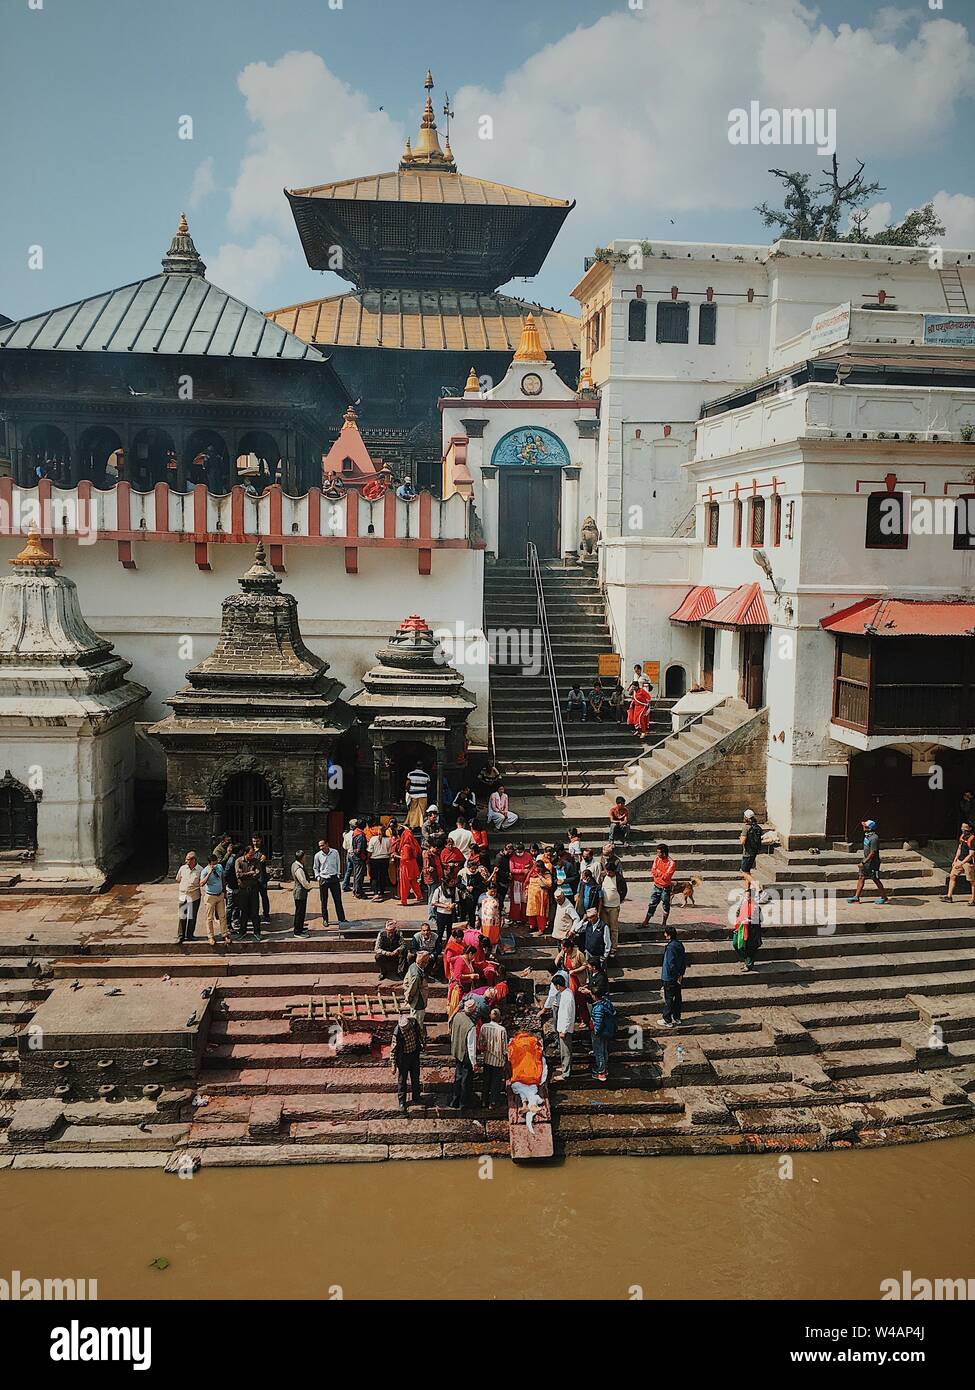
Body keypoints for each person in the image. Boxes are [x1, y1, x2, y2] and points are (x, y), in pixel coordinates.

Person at [847, 818, 889, 905]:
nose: (863, 826)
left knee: (876, 879)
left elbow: (873, 853)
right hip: (866, 861)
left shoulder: (874, 838)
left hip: (873, 863)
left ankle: (884, 897)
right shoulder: (867, 836)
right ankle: (856, 897)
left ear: (869, 828)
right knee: (861, 877)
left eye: (865, 826)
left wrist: (863, 862)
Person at [449, 998, 479, 1110]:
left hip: (457, 1050)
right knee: (466, 1081)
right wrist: (474, 1063)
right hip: (466, 1056)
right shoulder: (471, 1026)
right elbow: (471, 1047)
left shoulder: (457, 1016)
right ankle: (463, 1103)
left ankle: (454, 1100)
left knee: (458, 1076)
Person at [390, 1013, 423, 1112]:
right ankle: (402, 1102)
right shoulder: (397, 1033)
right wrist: (393, 1064)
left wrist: (423, 1043)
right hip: (403, 1058)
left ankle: (416, 1097)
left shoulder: (413, 1023)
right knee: (402, 1081)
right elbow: (393, 1050)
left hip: (414, 1055)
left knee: (415, 1077)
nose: (404, 1029)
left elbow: (420, 1034)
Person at [478, 1007, 508, 1108]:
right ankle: (493, 1102)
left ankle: (484, 1100)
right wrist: (506, 1058)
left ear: (490, 1016)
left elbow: (481, 1042)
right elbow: (504, 1047)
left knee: (486, 1080)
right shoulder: (502, 1030)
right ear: (499, 1018)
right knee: (496, 1082)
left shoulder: (484, 1027)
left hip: (487, 1058)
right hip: (498, 1060)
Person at [313, 837, 346, 924]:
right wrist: (318, 877)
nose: (321, 848)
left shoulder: (335, 852)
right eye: (320, 846)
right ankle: (325, 919)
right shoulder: (317, 855)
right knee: (324, 901)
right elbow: (315, 867)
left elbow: (338, 863)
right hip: (323, 879)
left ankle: (341, 918)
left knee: (337, 899)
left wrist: (338, 874)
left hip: (334, 878)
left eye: (322, 845)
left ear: (327, 844)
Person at [598, 857, 626, 958]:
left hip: (614, 907)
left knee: (613, 928)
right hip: (604, 907)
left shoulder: (619, 879)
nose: (608, 873)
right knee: (605, 928)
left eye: (610, 872)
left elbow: (624, 891)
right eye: (607, 871)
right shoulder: (603, 877)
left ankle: (614, 947)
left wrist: (619, 900)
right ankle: (606, 946)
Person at [643, 843, 676, 929]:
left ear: (664, 853)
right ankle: (645, 922)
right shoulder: (657, 859)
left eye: (659, 853)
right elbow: (653, 871)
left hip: (665, 888)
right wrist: (659, 873)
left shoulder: (671, 863)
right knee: (652, 904)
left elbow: (666, 877)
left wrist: (658, 872)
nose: (657, 854)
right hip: (656, 886)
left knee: (666, 905)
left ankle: (664, 923)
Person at [942, 821, 975, 905]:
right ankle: (949, 896)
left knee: (972, 881)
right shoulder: (962, 836)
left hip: (968, 862)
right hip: (960, 860)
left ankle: (973, 899)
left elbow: (971, 854)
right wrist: (955, 860)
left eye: (965, 828)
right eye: (962, 827)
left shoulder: (972, 838)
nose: (963, 829)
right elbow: (959, 848)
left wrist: (962, 863)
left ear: (970, 828)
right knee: (952, 876)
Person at [199, 853, 228, 947]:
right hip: (210, 896)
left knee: (222, 916)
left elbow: (222, 878)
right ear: (209, 863)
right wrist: (209, 873)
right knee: (209, 917)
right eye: (213, 863)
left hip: (220, 895)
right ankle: (210, 936)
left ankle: (225, 934)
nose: (215, 864)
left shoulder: (219, 867)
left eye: (216, 862)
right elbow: (201, 883)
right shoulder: (204, 871)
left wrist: (224, 891)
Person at [551, 973, 576, 1080]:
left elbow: (567, 1015)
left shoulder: (567, 996)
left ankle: (566, 1073)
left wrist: (564, 1031)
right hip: (562, 1027)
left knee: (566, 1052)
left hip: (564, 1028)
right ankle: (564, 1067)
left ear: (557, 986)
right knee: (564, 1050)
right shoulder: (566, 993)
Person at [589, 986, 617, 1083]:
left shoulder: (598, 1008)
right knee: (604, 1050)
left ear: (594, 996)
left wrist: (596, 1032)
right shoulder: (606, 1002)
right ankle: (605, 1068)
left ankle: (601, 1071)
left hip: (599, 1033)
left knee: (599, 1051)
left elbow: (598, 1023)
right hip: (606, 1031)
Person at [234, 845, 262, 939]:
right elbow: (239, 875)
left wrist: (246, 875)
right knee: (244, 912)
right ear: (246, 853)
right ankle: (242, 931)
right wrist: (250, 873)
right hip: (243, 890)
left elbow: (257, 874)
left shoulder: (256, 861)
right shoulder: (239, 861)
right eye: (250, 855)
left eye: (253, 854)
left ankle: (257, 932)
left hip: (253, 889)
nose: (252, 856)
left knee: (255, 912)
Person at [732, 887, 763, 971]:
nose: (746, 898)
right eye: (745, 896)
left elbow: (760, 919)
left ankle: (749, 964)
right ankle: (746, 959)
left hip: (752, 931)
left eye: (748, 896)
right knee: (735, 944)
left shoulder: (756, 907)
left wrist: (749, 920)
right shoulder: (742, 904)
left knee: (750, 948)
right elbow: (737, 913)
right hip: (741, 928)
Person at [661, 924, 686, 1027]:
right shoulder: (680, 945)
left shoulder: (670, 947)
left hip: (669, 977)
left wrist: (676, 975)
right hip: (678, 975)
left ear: (669, 935)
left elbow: (671, 964)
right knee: (677, 997)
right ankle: (677, 1017)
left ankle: (667, 1020)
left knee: (669, 998)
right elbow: (684, 960)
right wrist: (680, 974)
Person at [175, 851, 202, 943]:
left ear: (193, 860)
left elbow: (202, 883)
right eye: (186, 859)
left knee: (192, 916)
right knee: (183, 916)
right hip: (183, 895)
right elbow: (178, 879)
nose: (186, 861)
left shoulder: (200, 870)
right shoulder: (182, 868)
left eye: (188, 859)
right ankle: (181, 935)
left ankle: (190, 935)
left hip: (194, 896)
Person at [507, 843, 535, 922]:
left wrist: (528, 870)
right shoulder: (512, 857)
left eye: (520, 852)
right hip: (516, 882)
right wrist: (522, 870)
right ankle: (515, 917)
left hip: (525, 881)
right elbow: (512, 870)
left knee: (524, 900)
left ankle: (524, 918)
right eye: (517, 852)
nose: (519, 853)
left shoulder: (528, 856)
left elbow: (532, 866)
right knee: (516, 901)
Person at [526, 854, 553, 934]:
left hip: (541, 896)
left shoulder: (546, 873)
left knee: (540, 912)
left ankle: (541, 928)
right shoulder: (532, 872)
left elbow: (549, 884)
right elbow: (527, 882)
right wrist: (526, 891)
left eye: (539, 868)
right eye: (536, 868)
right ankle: (532, 926)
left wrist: (541, 877)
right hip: (531, 896)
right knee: (531, 911)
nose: (537, 869)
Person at [739, 809, 764, 892]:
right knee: (747, 871)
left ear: (746, 818)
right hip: (754, 852)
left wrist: (740, 838)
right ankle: (747, 889)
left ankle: (756, 886)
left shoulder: (746, 828)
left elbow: (742, 841)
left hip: (747, 853)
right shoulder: (756, 827)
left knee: (743, 872)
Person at [403, 952, 430, 1028]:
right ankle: (418, 1036)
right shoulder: (417, 975)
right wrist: (408, 999)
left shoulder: (413, 966)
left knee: (414, 1017)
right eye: (426, 961)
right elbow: (412, 989)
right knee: (418, 1021)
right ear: (423, 963)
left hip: (416, 999)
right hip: (418, 1000)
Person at [367, 823, 391, 901]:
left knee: (374, 877)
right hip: (385, 859)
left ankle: (376, 892)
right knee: (383, 876)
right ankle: (382, 891)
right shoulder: (388, 840)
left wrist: (368, 859)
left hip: (374, 860)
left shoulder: (373, 839)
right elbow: (389, 851)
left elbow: (370, 851)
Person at [251, 833, 271, 925]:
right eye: (254, 841)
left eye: (257, 841)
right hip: (253, 877)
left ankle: (266, 914)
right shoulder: (250, 850)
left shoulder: (264, 850)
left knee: (264, 896)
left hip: (262, 877)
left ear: (260, 840)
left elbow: (263, 859)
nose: (255, 843)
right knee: (254, 898)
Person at [291, 848, 312, 936]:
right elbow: (303, 881)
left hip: (300, 891)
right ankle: (297, 931)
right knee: (300, 912)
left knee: (301, 911)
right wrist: (309, 887)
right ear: (302, 858)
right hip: (300, 892)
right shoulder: (298, 868)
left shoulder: (295, 864)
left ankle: (300, 927)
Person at [404, 761, 431, 829]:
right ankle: (421, 825)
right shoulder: (426, 775)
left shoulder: (410, 774)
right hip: (423, 795)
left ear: (415, 766)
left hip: (413, 795)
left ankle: (413, 824)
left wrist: (408, 790)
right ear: (422, 767)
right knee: (422, 811)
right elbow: (429, 785)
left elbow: (407, 784)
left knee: (413, 810)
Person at [349, 821, 368, 899]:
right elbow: (359, 849)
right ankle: (358, 892)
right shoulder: (360, 835)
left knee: (357, 875)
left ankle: (356, 890)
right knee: (358, 875)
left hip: (356, 857)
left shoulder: (355, 832)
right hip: (359, 858)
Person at [341, 819, 358, 891]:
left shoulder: (347, 835)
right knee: (356, 871)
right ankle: (355, 887)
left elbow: (344, 846)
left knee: (348, 870)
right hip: (354, 854)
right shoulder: (357, 834)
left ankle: (345, 885)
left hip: (348, 853)